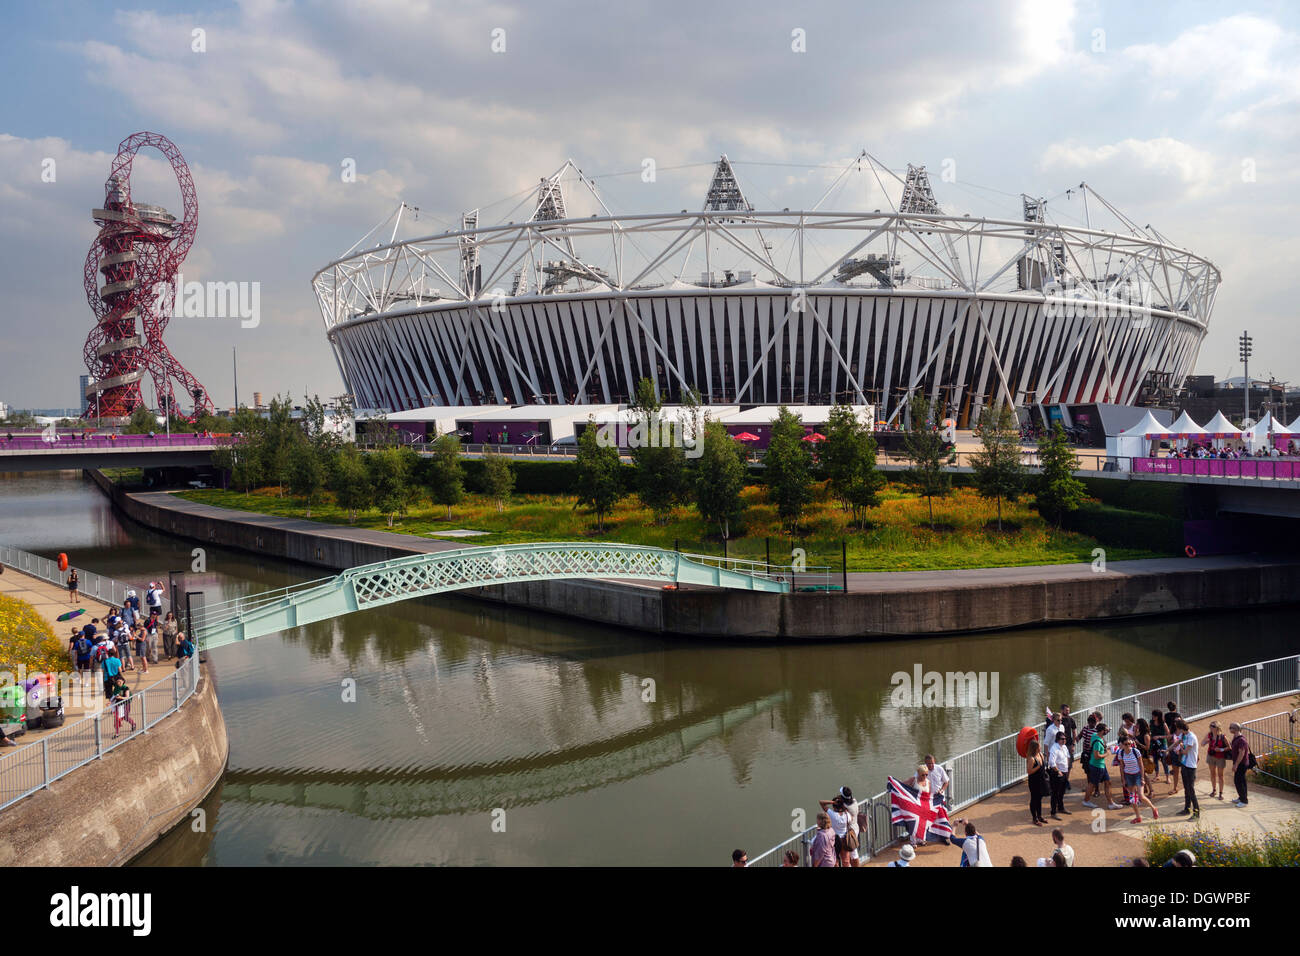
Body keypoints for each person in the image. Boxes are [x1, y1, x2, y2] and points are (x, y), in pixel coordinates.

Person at [1118, 737, 1159, 823]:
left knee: (1140, 795)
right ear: (1122, 745)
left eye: (1129, 744)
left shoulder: (1135, 751)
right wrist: (1123, 779)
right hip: (1128, 776)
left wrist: (1142, 778)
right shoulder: (1121, 753)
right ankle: (1138, 817)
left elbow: (1141, 765)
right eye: (1126, 744)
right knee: (1132, 798)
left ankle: (1153, 808)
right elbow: (1121, 767)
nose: (1128, 746)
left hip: (1137, 775)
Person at [1085, 723, 1123, 810]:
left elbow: (1102, 740)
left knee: (1108, 782)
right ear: (1102, 731)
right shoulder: (1098, 742)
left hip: (1101, 766)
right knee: (1092, 784)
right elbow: (1097, 756)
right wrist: (1106, 754)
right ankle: (1086, 800)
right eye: (1105, 730)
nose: (1107, 731)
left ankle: (1111, 803)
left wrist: (1106, 732)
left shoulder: (1095, 735)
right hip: (1097, 766)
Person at [1172, 718, 1200, 817]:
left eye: (1177, 728)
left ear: (1181, 728)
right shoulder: (1184, 735)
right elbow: (1177, 743)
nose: (1177, 731)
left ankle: (1196, 813)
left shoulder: (1191, 737)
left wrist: (1181, 746)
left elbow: (1185, 752)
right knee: (1186, 789)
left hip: (1190, 766)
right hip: (1184, 764)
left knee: (1191, 790)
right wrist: (1167, 750)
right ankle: (1187, 809)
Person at [819, 794, 857, 867]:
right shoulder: (847, 815)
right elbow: (851, 818)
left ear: (834, 807)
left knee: (835, 860)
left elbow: (821, 802)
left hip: (834, 840)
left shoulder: (832, 814)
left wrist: (832, 802)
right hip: (845, 840)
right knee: (846, 861)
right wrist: (844, 806)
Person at [1025, 738, 1049, 826]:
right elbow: (1029, 771)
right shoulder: (1031, 758)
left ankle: (1039, 816)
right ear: (1035, 748)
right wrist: (1038, 767)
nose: (1040, 748)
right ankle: (1034, 818)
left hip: (1041, 780)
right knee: (1034, 799)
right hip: (1034, 782)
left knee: (1039, 799)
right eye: (1039, 747)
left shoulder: (1040, 755)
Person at [1047, 730, 1070, 819]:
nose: (1064, 740)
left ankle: (1061, 807)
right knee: (1055, 793)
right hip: (1057, 774)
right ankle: (1053, 812)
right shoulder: (1054, 748)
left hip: (1064, 772)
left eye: (1065, 739)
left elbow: (1067, 757)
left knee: (1062, 792)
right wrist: (1058, 771)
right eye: (1062, 739)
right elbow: (1052, 762)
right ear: (1057, 739)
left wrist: (1066, 769)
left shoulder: (1064, 747)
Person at [1204, 721, 1230, 800]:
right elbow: (1202, 743)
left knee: (1220, 775)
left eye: (1213, 726)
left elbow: (1229, 747)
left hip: (1220, 758)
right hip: (1211, 756)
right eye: (1210, 726)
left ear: (1217, 728)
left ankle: (1221, 793)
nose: (1211, 727)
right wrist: (1206, 741)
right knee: (1212, 774)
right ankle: (1214, 790)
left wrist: (1221, 749)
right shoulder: (1209, 735)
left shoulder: (1223, 737)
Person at [1229, 722, 1252, 807]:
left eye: (1231, 727)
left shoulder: (1241, 740)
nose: (1229, 729)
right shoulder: (1235, 737)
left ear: (1235, 729)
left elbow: (1241, 753)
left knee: (1239, 781)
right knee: (1240, 781)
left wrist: (1236, 765)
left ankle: (1244, 801)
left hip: (1241, 764)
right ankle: (1241, 797)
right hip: (1239, 763)